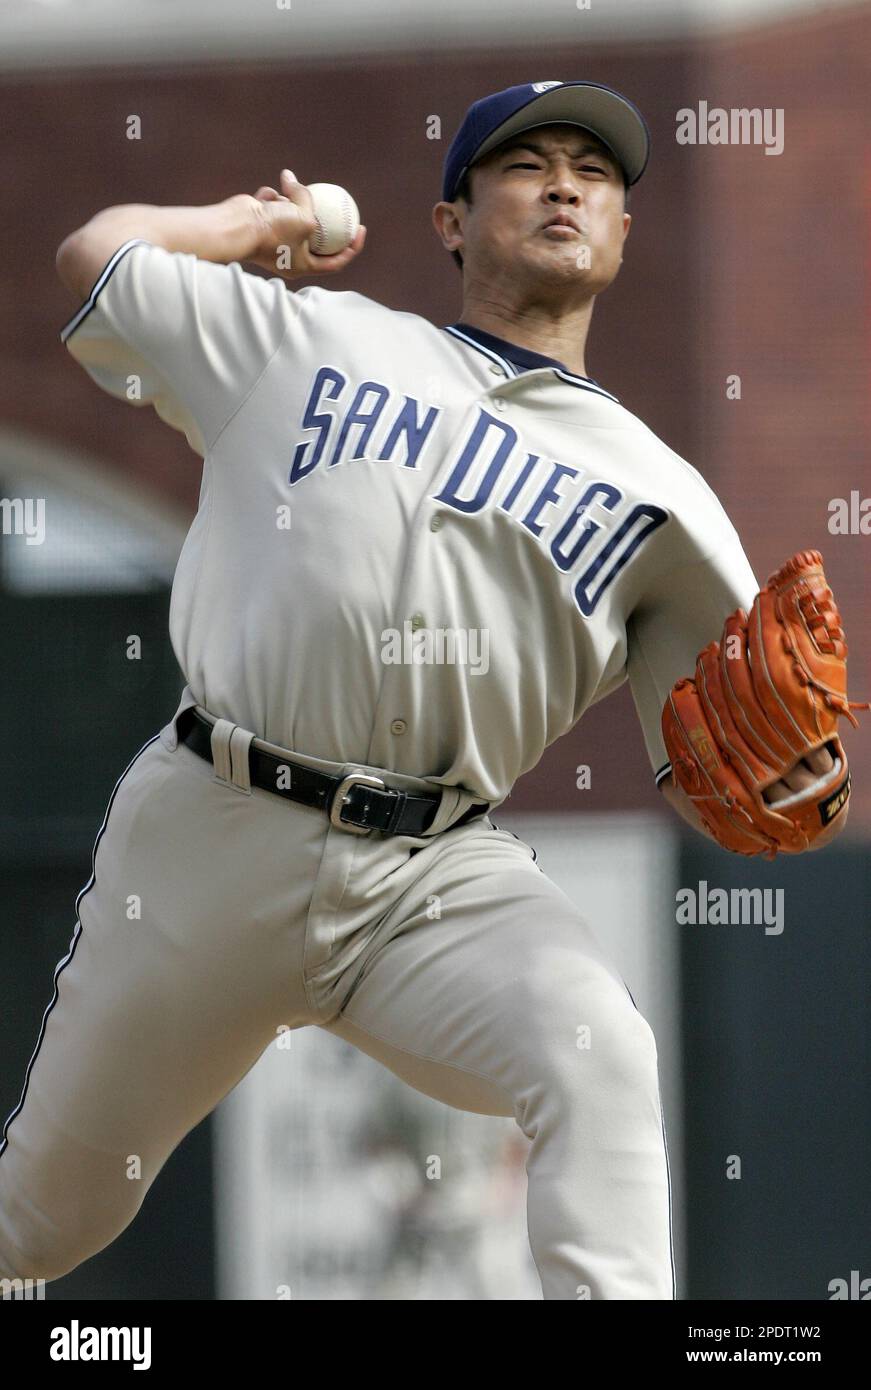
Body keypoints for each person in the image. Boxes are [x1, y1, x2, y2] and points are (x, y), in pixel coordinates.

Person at [0, 80, 845, 1302]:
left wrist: (804, 781)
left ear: (620, 233)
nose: (564, 185)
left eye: (593, 174)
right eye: (526, 164)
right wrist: (250, 229)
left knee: (596, 1048)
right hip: (213, 829)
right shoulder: (310, 339)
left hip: (430, 877)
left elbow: (739, 753)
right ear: (450, 221)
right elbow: (97, 258)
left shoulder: (666, 501)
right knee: (41, 1221)